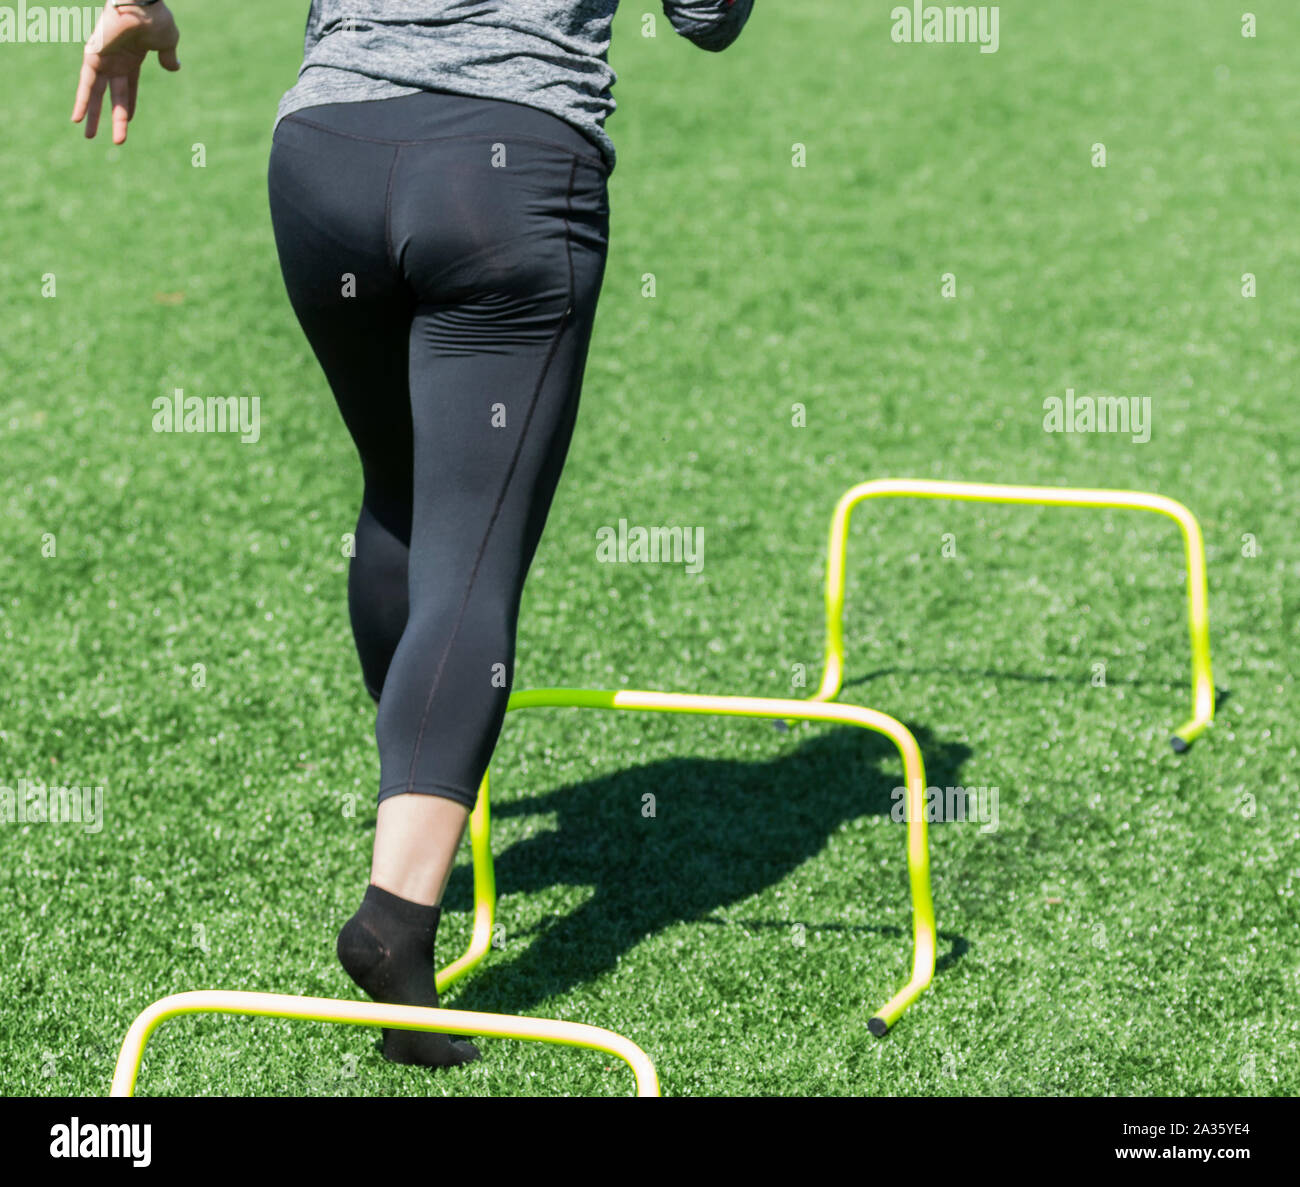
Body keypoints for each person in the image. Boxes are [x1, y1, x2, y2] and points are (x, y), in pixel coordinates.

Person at [72, 0, 754, 1070]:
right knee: (471, 549)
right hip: (506, 171)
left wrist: (135, 9)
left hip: (327, 157)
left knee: (397, 489)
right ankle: (396, 914)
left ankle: (417, 802)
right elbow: (707, 19)